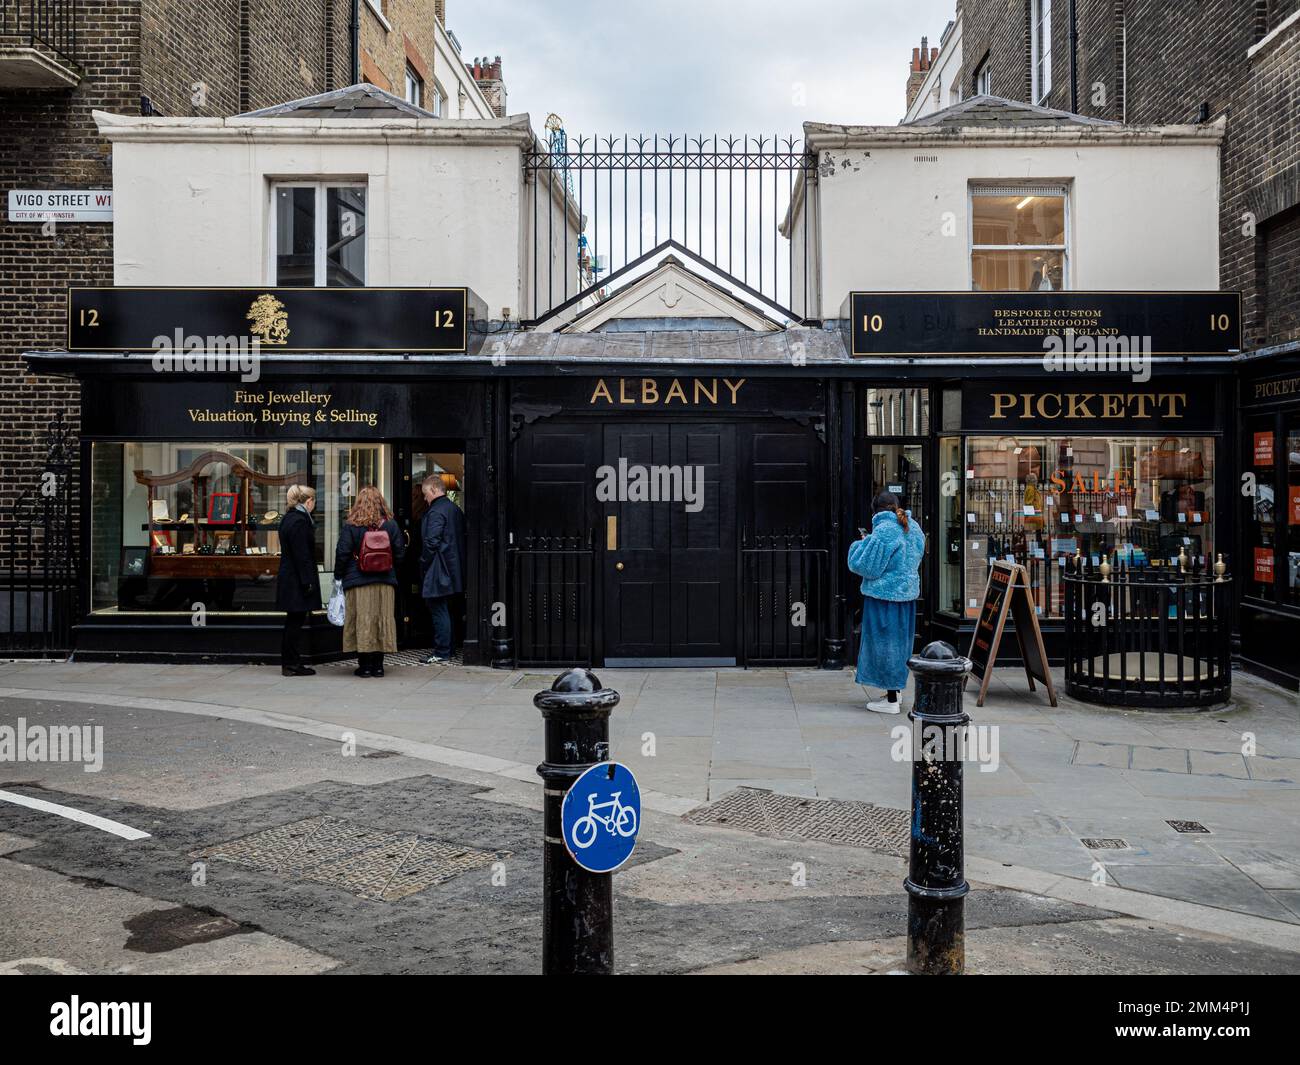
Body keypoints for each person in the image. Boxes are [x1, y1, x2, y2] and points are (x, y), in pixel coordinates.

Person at [848, 490, 926, 714]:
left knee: (884, 645)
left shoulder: (884, 530)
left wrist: (859, 545)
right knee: (900, 646)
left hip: (884, 597)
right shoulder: (914, 528)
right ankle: (896, 693)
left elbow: (865, 566)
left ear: (876, 509)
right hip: (907, 597)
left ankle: (891, 700)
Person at [334, 486, 404, 678]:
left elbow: (342, 552)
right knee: (381, 620)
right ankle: (379, 667)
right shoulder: (390, 525)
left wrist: (339, 575)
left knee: (362, 621)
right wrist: (389, 568)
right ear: (381, 502)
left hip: (358, 582)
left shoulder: (351, 525)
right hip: (384, 581)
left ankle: (364, 667)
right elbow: (399, 553)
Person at [419, 474, 467, 664]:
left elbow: (431, 541)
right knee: (448, 609)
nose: (425, 498)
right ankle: (450, 648)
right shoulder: (454, 509)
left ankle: (442, 651)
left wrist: (423, 561)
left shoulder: (436, 511)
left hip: (439, 569)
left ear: (433, 490)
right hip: (453, 568)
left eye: (425, 494)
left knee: (437, 607)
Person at [276, 484, 320, 676]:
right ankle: (292, 664)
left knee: (292, 621)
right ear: (308, 501)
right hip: (297, 580)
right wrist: (307, 582)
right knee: (295, 622)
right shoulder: (300, 521)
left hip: (290, 577)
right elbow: (302, 555)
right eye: (314, 502)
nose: (314, 505)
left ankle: (290, 662)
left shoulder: (289, 518)